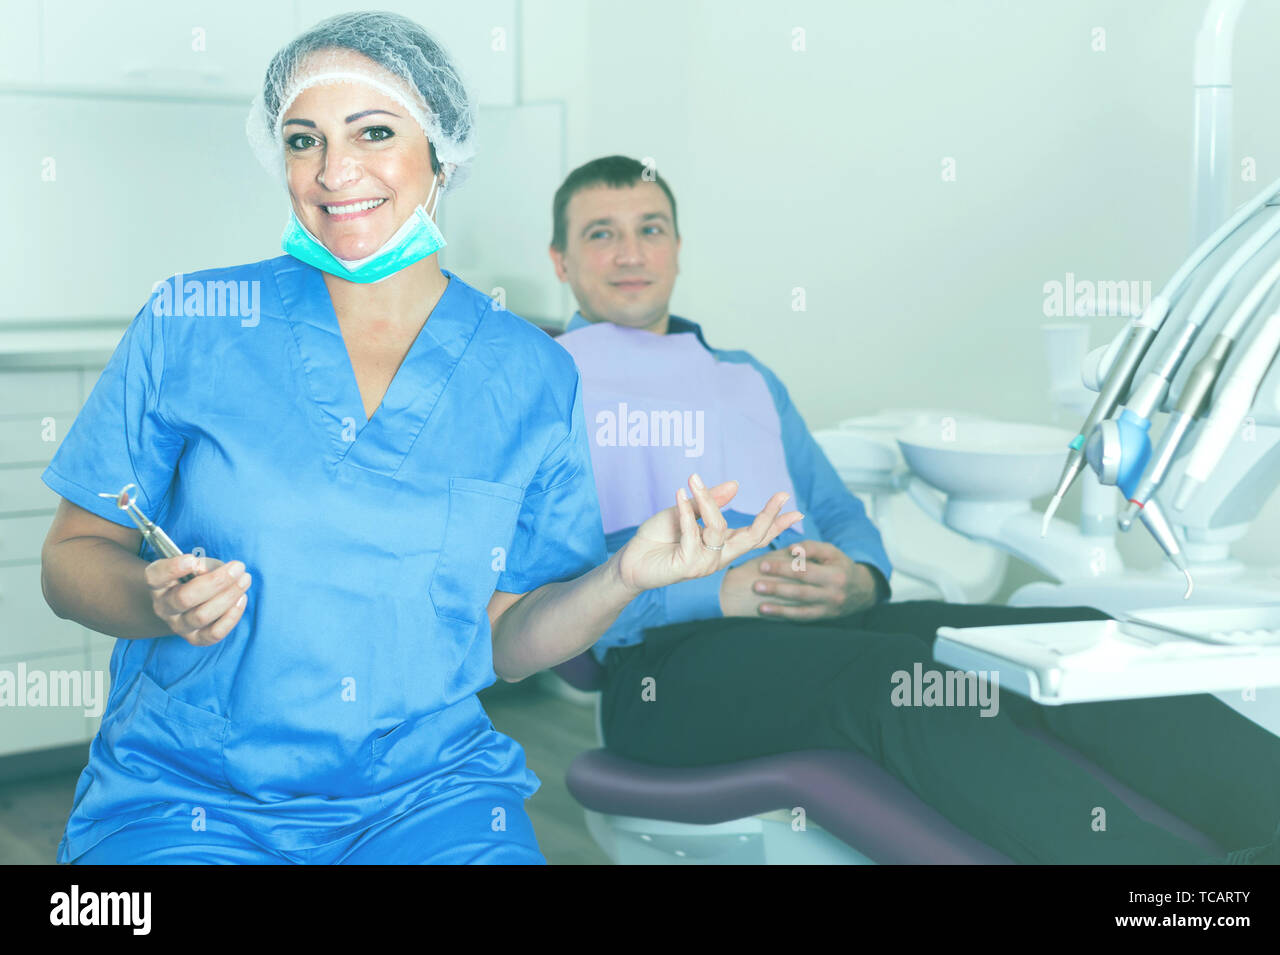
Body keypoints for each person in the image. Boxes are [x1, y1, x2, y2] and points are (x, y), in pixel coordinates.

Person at [37, 16, 798, 866]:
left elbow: (511, 638)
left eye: (374, 131)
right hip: (186, 793)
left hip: (428, 798)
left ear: (441, 154)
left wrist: (621, 576)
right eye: (303, 139)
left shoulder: (529, 372)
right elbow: (71, 553)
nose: (334, 171)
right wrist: (154, 599)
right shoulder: (192, 320)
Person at [548, 155, 1280, 864]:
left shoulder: (744, 380)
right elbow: (543, 601)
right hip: (669, 665)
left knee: (1065, 644)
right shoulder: (548, 391)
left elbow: (839, 513)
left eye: (649, 229)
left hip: (827, 625)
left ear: (677, 248)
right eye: (600, 234)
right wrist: (717, 590)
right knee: (903, 679)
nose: (630, 252)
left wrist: (863, 579)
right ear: (561, 262)